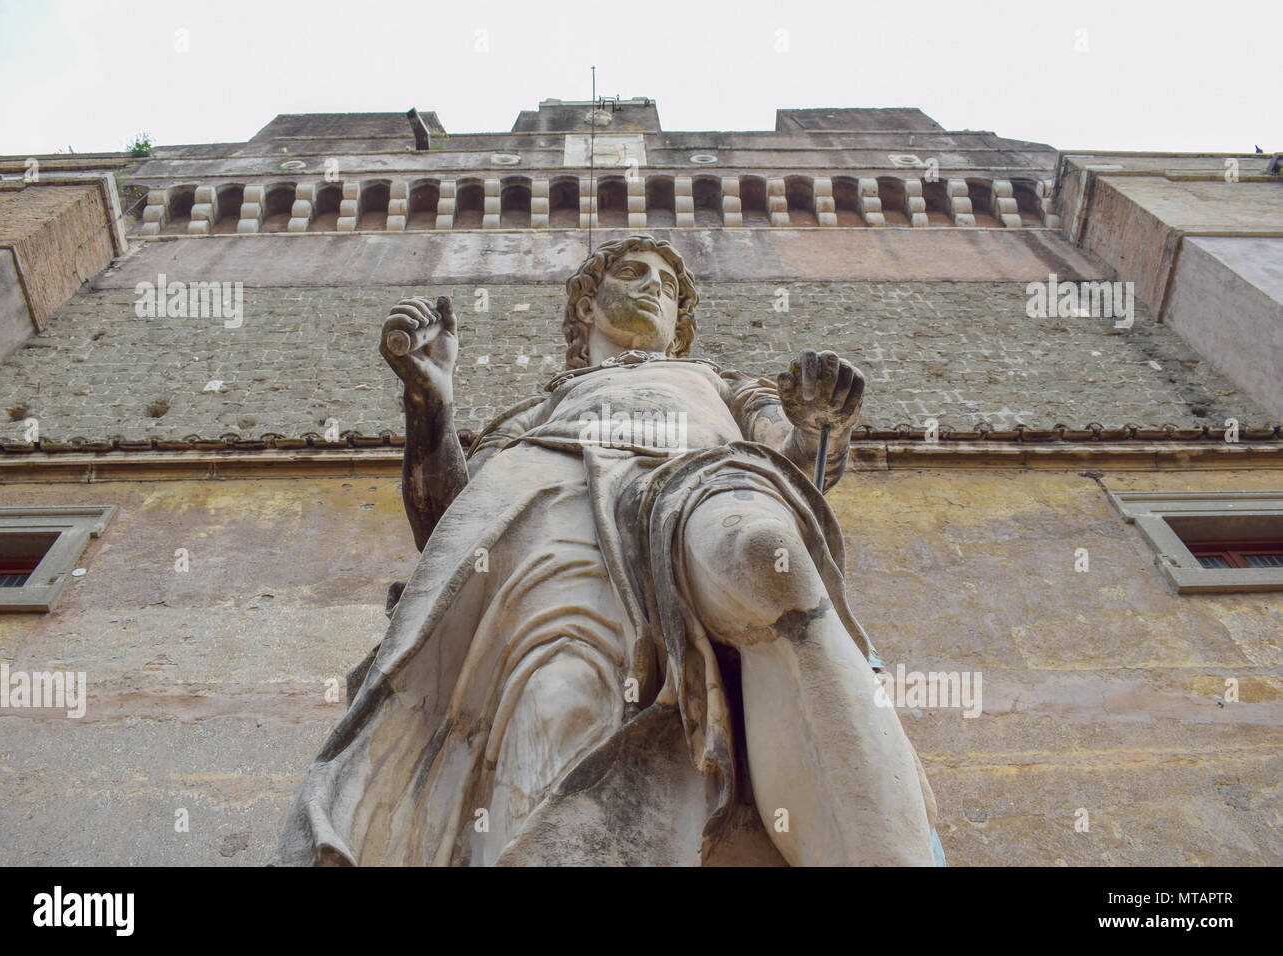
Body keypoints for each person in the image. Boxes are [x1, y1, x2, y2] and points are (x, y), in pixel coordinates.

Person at [272, 235, 938, 866]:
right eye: (633, 273)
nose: (654, 286)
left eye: (668, 283)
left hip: (701, 480)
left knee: (766, 562)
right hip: (560, 506)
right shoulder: (543, 407)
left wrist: (822, 423)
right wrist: (430, 401)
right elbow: (452, 524)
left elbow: (801, 461)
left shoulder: (718, 381)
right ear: (587, 305)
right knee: (559, 704)